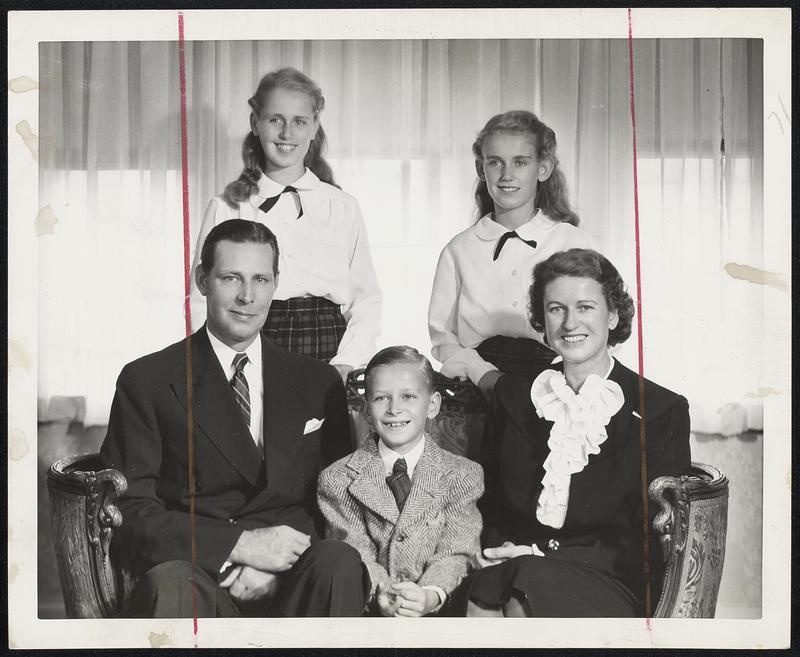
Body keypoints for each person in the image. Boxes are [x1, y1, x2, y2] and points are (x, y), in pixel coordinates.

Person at [100, 219, 368, 617]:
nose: (247, 296)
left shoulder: (318, 380)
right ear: (202, 280)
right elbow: (130, 512)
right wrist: (239, 546)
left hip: (295, 571)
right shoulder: (148, 380)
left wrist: (276, 561)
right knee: (169, 586)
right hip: (201, 573)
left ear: (276, 284)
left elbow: (338, 503)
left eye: (260, 279)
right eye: (231, 278)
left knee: (338, 562)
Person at [467, 248, 691, 617]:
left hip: (610, 578)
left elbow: (652, 540)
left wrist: (542, 554)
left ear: (613, 314)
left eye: (585, 307)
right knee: (491, 587)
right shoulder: (513, 395)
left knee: (521, 586)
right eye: (556, 309)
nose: (570, 323)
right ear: (542, 318)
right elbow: (488, 503)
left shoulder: (661, 410)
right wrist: (500, 550)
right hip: (521, 564)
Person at [189, 67, 382, 383]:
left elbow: (367, 300)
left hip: (329, 349)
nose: (286, 133)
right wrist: (222, 363)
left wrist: (346, 363)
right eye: (275, 119)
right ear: (256, 124)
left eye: (299, 121)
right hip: (252, 342)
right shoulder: (226, 207)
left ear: (314, 127)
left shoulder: (342, 207)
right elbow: (201, 298)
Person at [428, 110, 597, 396]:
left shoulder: (572, 242)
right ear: (482, 169)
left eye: (520, 162)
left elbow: (597, 326)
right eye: (495, 162)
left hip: (556, 385)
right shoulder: (458, 250)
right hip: (478, 385)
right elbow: (444, 337)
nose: (507, 175)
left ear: (543, 168)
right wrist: (481, 374)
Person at [317, 346, 484, 616]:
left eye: (408, 396)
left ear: (432, 406)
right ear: (367, 410)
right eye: (382, 398)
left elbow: (457, 551)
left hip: (440, 611)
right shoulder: (338, 479)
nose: (395, 409)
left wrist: (430, 595)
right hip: (368, 609)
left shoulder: (463, 475)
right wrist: (384, 591)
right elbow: (355, 551)